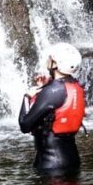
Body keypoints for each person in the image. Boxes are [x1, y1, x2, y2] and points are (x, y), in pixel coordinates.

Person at [19, 42, 86, 175]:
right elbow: (57, 103)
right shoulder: (76, 86)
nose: (48, 60)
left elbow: (25, 125)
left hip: (51, 165)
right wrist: (44, 87)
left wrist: (27, 96)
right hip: (72, 160)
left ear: (55, 64)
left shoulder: (51, 91)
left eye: (50, 58)